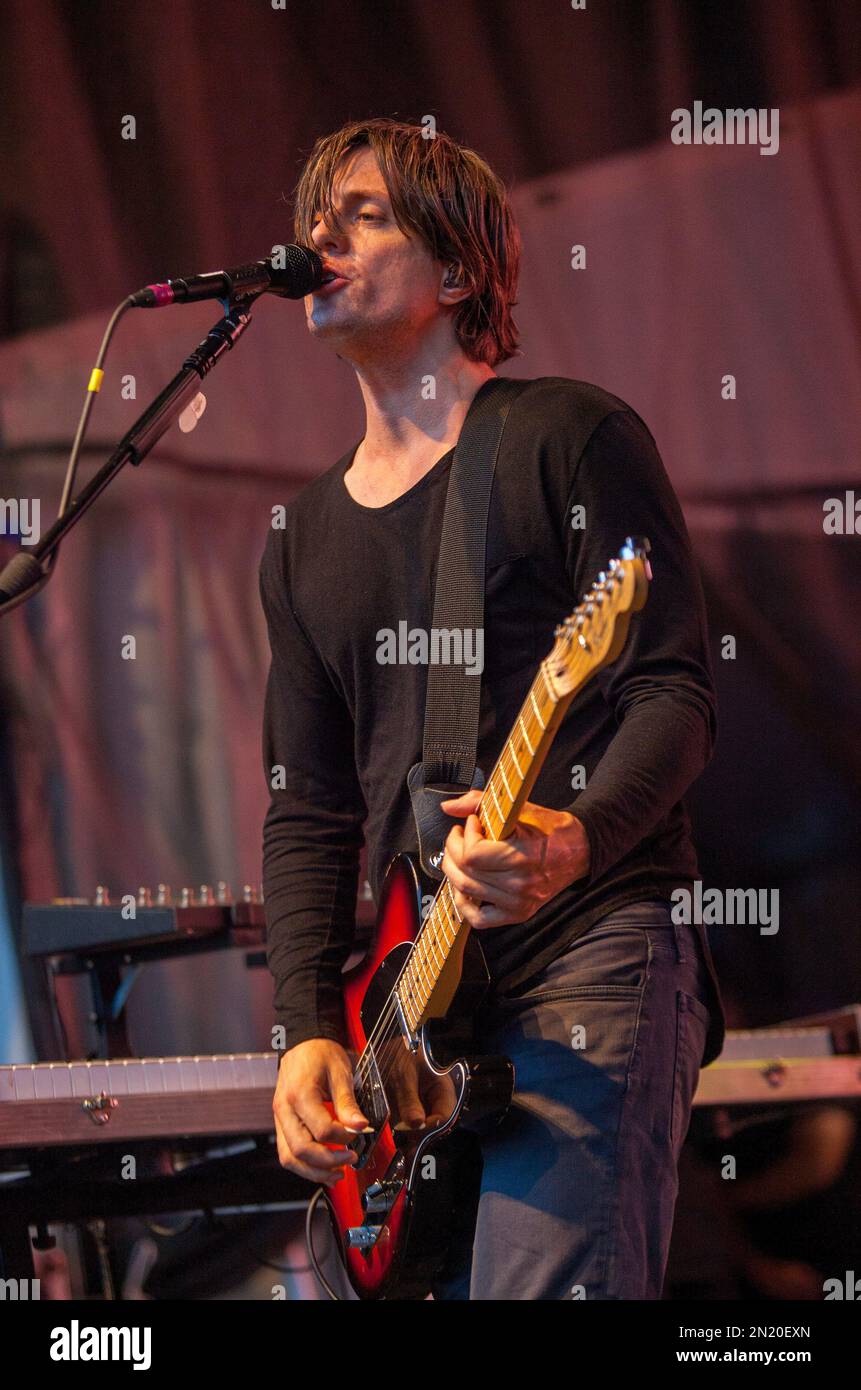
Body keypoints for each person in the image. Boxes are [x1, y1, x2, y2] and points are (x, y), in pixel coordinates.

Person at [259, 117, 725, 1300]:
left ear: (457, 270)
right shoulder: (304, 536)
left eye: (363, 214)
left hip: (588, 948)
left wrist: (571, 839)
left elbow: (671, 689)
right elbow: (310, 806)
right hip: (411, 1012)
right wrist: (311, 1025)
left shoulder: (567, 436)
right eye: (319, 214)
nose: (322, 235)